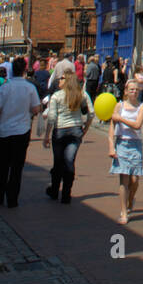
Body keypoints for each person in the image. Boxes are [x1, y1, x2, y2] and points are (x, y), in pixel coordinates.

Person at [0, 58, 41, 207]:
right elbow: (36, 108)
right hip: (22, 130)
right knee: (17, 167)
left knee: (2, 165)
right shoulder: (30, 88)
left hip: (5, 130)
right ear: (24, 70)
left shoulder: (6, 87)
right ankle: (12, 199)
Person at [43, 71, 93, 205]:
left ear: (67, 81)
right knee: (69, 161)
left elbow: (52, 117)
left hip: (60, 130)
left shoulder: (57, 96)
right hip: (76, 130)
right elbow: (91, 113)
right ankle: (66, 194)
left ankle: (54, 190)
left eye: (61, 78)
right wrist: (85, 129)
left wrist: (47, 135)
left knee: (58, 161)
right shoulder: (81, 94)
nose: (59, 80)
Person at [108, 77, 143, 223]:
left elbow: (137, 125)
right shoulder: (119, 106)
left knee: (135, 179)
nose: (134, 92)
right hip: (122, 143)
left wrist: (121, 119)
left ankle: (131, 200)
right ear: (126, 91)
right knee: (124, 179)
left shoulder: (142, 106)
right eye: (131, 90)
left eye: (136, 90)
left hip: (135, 143)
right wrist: (111, 146)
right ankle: (124, 212)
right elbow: (112, 127)